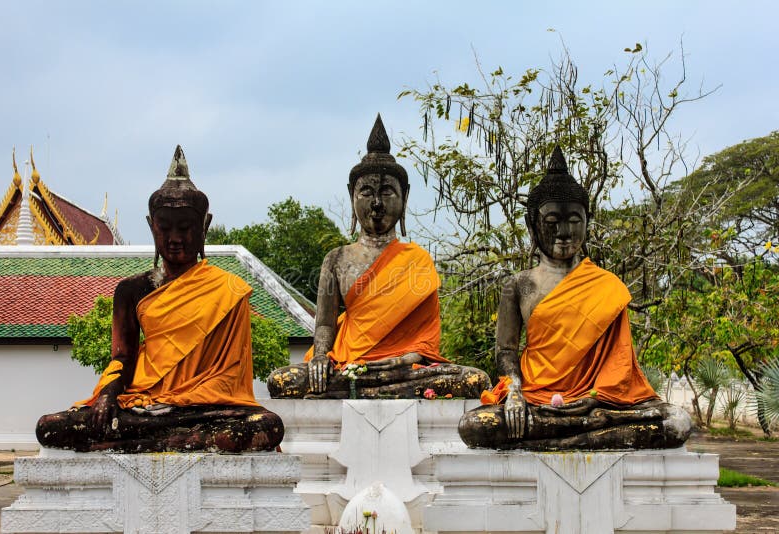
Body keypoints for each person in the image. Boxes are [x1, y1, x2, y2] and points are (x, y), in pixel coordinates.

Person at [36, 146, 284, 453]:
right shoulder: (132, 290)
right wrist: (108, 395)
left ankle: (147, 441)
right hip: (146, 405)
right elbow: (122, 358)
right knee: (50, 427)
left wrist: (195, 401)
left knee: (266, 425)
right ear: (151, 226)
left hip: (207, 409)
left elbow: (230, 381)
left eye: (185, 228)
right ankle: (176, 440)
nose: (174, 238)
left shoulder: (228, 290)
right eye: (164, 228)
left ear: (204, 227)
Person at [458, 145, 691, 450]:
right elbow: (505, 351)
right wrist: (514, 391)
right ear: (531, 225)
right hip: (537, 399)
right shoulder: (519, 285)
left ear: (587, 221)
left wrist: (596, 399)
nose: (564, 232)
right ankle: (586, 435)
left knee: (676, 422)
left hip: (598, 402)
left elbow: (619, 366)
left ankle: (561, 437)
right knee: (475, 425)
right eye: (552, 221)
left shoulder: (606, 285)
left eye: (574, 220)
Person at [268, 115, 490, 399]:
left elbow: (425, 339)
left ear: (404, 198)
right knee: (282, 380)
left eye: (386, 192)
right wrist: (321, 356)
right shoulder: (336, 259)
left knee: (473, 379)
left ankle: (365, 386)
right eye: (366, 192)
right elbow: (324, 324)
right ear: (352, 196)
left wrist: (406, 359)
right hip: (347, 364)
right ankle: (362, 385)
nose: (376, 203)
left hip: (404, 368)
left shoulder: (418, 260)